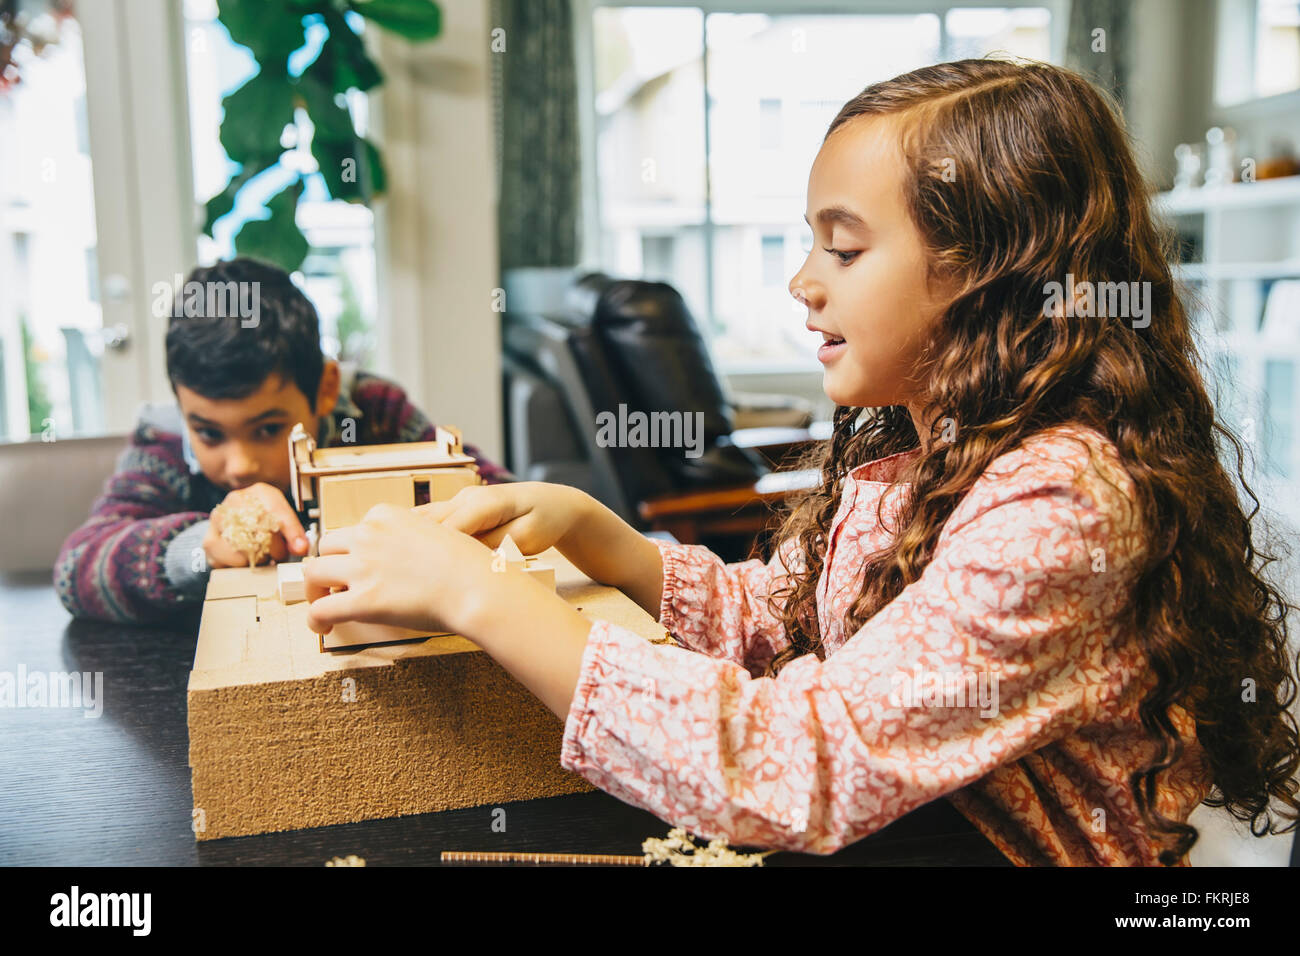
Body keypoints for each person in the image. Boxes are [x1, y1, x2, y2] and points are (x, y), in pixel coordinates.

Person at [298, 59, 1300, 865]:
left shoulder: (1062, 503)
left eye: (845, 250)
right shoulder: (921, 452)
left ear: (989, 276)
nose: (801, 282)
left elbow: (799, 763)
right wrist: (600, 536)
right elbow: (784, 620)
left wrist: (486, 598)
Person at [54, 257, 513, 624]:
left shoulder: (373, 410)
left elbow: (502, 497)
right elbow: (77, 569)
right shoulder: (163, 443)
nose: (239, 465)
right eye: (210, 433)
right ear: (181, 405)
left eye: (268, 429)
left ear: (326, 388)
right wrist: (197, 547)